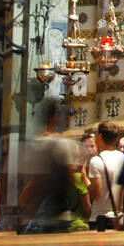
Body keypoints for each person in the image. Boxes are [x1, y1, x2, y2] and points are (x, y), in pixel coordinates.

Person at [20, 100, 80, 233]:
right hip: (58, 212)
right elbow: (70, 181)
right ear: (55, 118)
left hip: (40, 211)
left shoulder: (37, 143)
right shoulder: (63, 143)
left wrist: (26, 199)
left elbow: (35, 180)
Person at [85, 121, 124, 230]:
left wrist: (84, 176)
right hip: (117, 218)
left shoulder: (96, 161)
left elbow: (96, 194)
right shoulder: (122, 157)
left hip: (99, 219)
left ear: (100, 136)